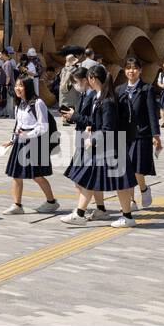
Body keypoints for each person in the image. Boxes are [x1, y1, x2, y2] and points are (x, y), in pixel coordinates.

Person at [59, 66, 137, 228]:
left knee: (120, 184)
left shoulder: (107, 101)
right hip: (105, 147)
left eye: (89, 78)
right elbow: (98, 123)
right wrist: (90, 127)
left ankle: (127, 217)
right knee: (92, 179)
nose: (87, 82)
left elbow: (108, 128)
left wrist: (92, 140)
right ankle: (80, 213)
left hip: (111, 148)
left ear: (93, 79)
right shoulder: (100, 97)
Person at [0, 76, 59, 214]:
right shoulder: (19, 104)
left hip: (35, 141)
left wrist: (28, 135)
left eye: (21, 86)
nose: (17, 88)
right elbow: (18, 124)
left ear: (28, 87)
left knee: (36, 175)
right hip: (21, 141)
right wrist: (12, 140)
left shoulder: (38, 103)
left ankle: (51, 202)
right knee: (16, 174)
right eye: (16, 86)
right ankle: (17, 205)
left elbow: (43, 126)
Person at [117, 56, 161, 210]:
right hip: (124, 135)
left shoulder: (146, 89)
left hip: (142, 134)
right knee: (127, 168)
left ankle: (143, 189)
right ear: (124, 70)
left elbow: (152, 114)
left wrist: (156, 136)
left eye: (134, 68)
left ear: (140, 70)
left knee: (136, 169)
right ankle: (131, 201)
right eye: (128, 68)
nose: (131, 71)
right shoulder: (119, 90)